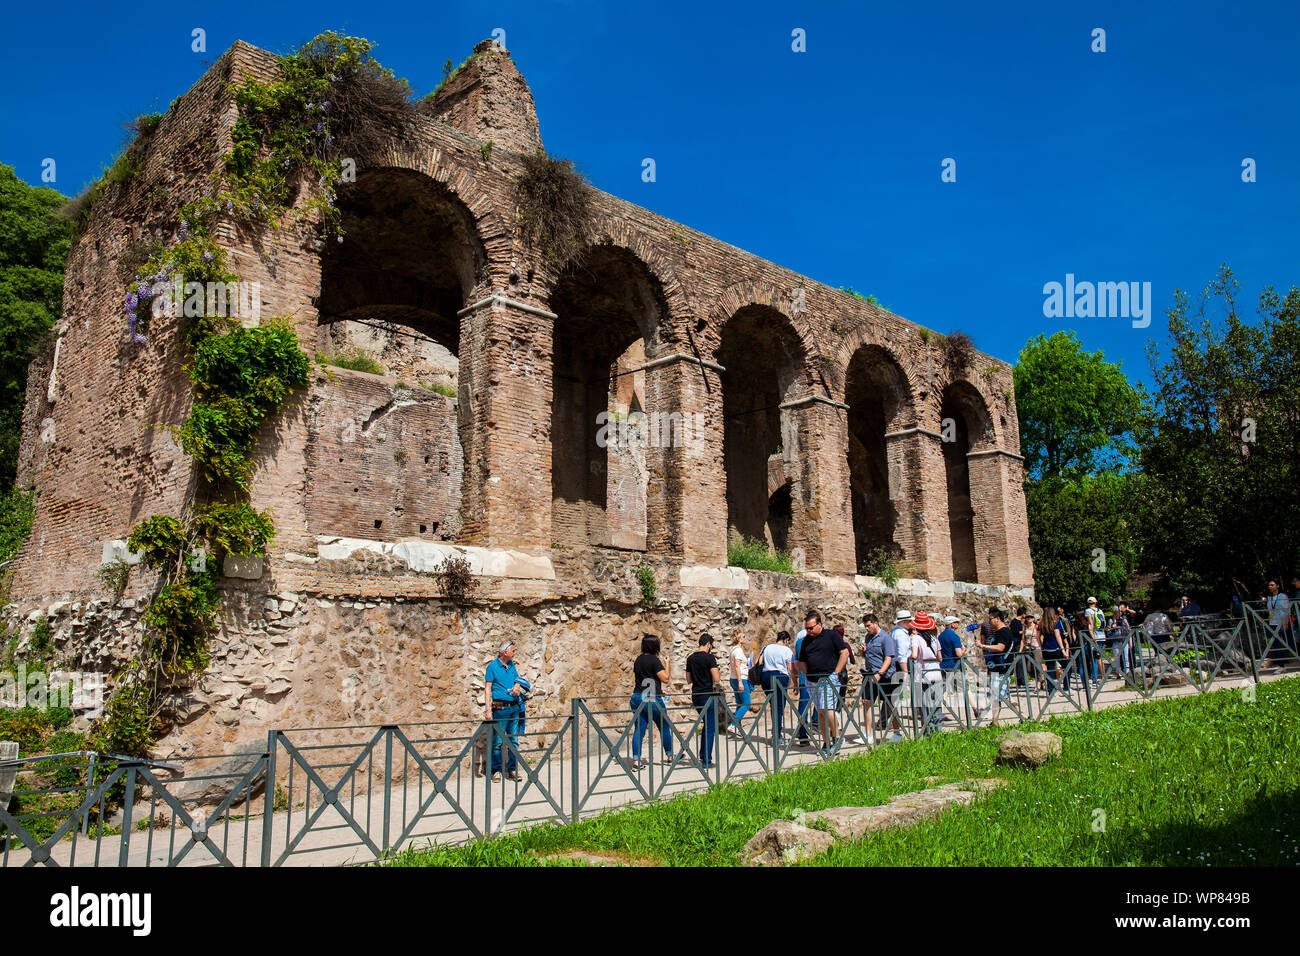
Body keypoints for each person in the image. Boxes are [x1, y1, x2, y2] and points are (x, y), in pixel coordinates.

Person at [796, 610, 849, 750]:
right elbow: (802, 660)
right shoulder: (806, 640)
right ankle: (826, 742)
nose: (808, 631)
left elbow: (844, 652)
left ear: (819, 624)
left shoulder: (831, 636)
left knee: (827, 709)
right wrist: (806, 675)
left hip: (828, 677)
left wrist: (836, 672)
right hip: (812, 680)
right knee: (820, 712)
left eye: (811, 628)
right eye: (806, 628)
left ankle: (836, 737)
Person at [629, 634, 675, 770]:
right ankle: (670, 756)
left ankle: (636, 761)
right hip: (651, 698)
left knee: (639, 729)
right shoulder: (654, 661)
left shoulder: (638, 660)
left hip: (637, 696)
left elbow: (645, 679)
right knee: (664, 726)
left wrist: (659, 690)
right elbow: (665, 678)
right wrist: (667, 663)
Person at [485, 640, 525, 782]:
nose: (514, 653)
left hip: (513, 708)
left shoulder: (512, 665)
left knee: (513, 740)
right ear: (505, 652)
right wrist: (488, 710)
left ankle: (512, 770)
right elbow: (488, 688)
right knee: (498, 742)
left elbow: (517, 679)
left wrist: (517, 686)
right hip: (500, 709)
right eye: (513, 651)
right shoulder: (492, 667)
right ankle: (496, 771)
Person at [685, 634, 722, 768]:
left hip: (696, 695)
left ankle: (702, 755)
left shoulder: (690, 658)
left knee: (706, 724)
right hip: (708, 695)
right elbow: (716, 678)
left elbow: (688, 680)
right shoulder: (709, 658)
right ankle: (706, 760)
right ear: (708, 644)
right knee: (710, 726)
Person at [859, 613, 895, 747]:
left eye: (868, 626)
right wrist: (863, 651)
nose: (867, 628)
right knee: (867, 702)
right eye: (865, 626)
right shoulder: (868, 637)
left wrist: (880, 673)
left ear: (875, 623)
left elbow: (888, 657)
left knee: (889, 704)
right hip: (869, 674)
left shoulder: (886, 638)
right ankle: (869, 735)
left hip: (885, 676)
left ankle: (897, 732)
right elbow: (869, 655)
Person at [977, 608, 1012, 724]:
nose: (989, 621)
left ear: (997, 619)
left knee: (1001, 697)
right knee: (997, 697)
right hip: (996, 669)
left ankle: (1023, 716)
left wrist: (983, 646)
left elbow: (1000, 648)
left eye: (990, 619)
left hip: (1003, 669)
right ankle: (995, 722)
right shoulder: (997, 632)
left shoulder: (1004, 632)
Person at [761, 631, 796, 742]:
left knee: (773, 704)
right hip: (780, 677)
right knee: (779, 706)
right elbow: (790, 668)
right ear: (786, 640)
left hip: (766, 676)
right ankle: (777, 735)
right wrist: (795, 682)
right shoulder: (786, 650)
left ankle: (776, 732)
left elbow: (760, 661)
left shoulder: (767, 647)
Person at [912, 612, 943, 734]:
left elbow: (914, 655)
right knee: (936, 704)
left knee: (924, 705)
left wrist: (909, 658)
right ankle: (938, 730)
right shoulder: (935, 639)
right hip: (936, 673)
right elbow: (940, 658)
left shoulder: (916, 638)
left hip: (922, 674)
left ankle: (927, 731)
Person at [888, 610, 917, 737]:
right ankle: (897, 729)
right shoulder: (900, 634)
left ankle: (893, 726)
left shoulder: (896, 632)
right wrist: (905, 671)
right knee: (896, 699)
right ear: (905, 622)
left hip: (897, 667)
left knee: (893, 699)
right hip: (901, 668)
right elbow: (901, 655)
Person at [727, 633, 752, 737]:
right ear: (738, 638)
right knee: (747, 703)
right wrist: (740, 681)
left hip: (735, 679)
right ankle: (733, 724)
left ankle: (738, 729)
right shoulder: (737, 650)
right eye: (743, 636)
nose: (744, 637)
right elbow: (737, 666)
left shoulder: (733, 650)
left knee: (740, 704)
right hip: (740, 679)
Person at [1041, 607, 1067, 693]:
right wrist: (1063, 649)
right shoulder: (1055, 623)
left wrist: (1041, 646)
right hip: (1055, 648)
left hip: (1046, 649)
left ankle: (1051, 691)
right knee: (1067, 666)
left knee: (1050, 670)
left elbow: (1038, 637)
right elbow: (1058, 636)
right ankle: (1066, 687)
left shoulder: (1042, 624)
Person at [1083, 597, 1106, 686]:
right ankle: (1103, 676)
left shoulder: (1088, 611)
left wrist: (1093, 639)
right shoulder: (1100, 611)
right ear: (1095, 602)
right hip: (1102, 635)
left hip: (1095, 636)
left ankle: (1095, 679)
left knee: (1094, 658)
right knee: (1099, 657)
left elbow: (1090, 625)